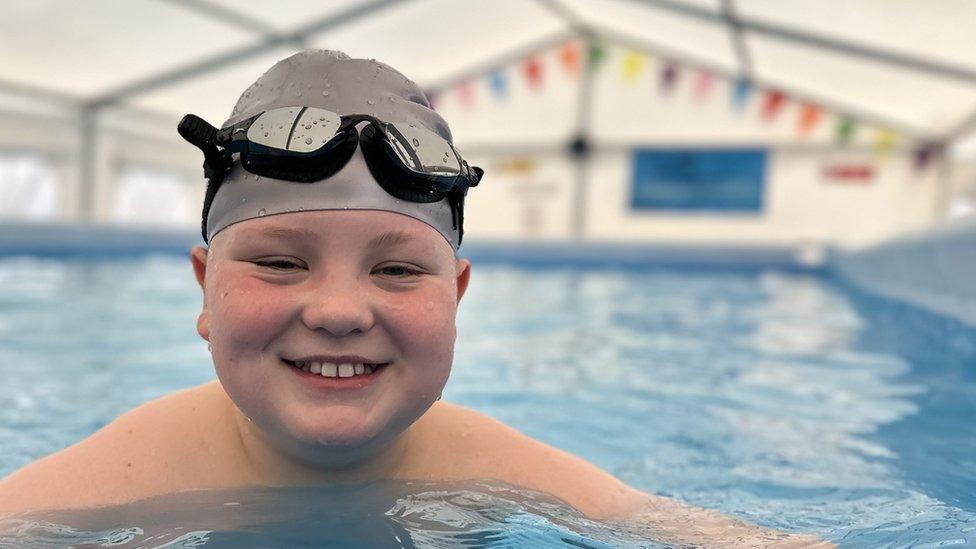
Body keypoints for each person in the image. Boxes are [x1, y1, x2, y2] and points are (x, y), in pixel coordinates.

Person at [0, 50, 830, 547]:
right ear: (204, 291)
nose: (337, 308)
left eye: (397, 270)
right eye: (281, 262)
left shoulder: (493, 467)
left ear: (457, 295)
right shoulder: (126, 474)